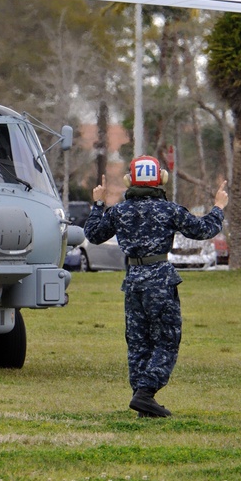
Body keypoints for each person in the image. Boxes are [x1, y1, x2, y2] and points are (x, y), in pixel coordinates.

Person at [84, 155, 228, 418]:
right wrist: (219, 206)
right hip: (160, 279)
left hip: (133, 280)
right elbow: (204, 229)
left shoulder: (118, 211)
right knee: (167, 339)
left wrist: (98, 202)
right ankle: (146, 393)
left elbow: (93, 234)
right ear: (161, 179)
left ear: (130, 181)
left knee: (138, 342)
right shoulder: (169, 210)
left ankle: (142, 402)